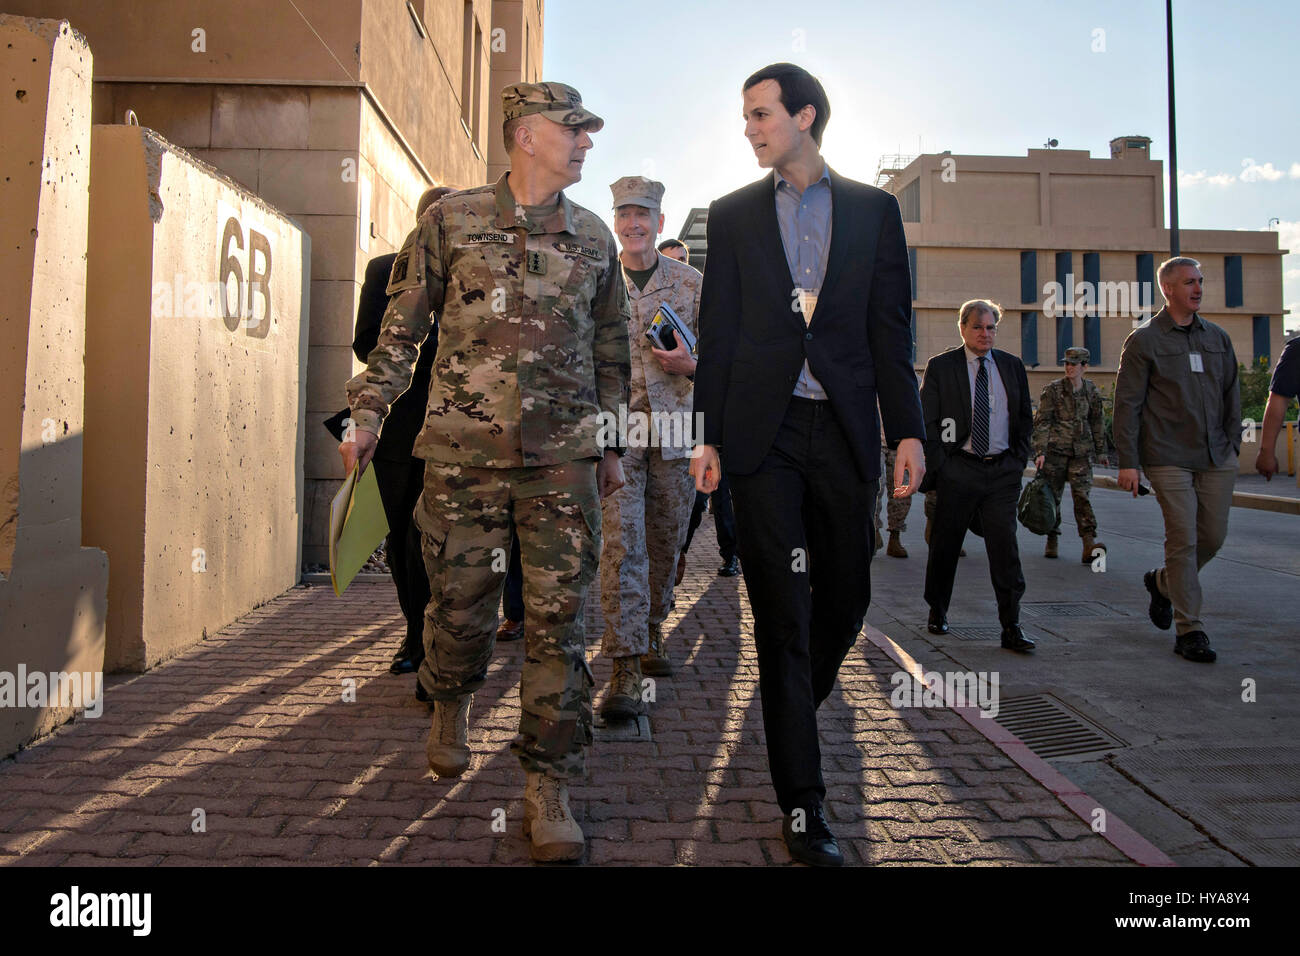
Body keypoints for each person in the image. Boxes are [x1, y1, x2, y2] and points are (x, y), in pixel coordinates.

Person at [341, 81, 631, 862]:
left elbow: (613, 353)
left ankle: (549, 786)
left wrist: (610, 446)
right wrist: (369, 414)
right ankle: (450, 696)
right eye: (574, 130)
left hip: (563, 464)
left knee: (559, 627)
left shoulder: (597, 240)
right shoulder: (450, 222)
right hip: (462, 458)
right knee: (460, 609)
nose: (586, 144)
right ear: (527, 135)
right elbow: (400, 332)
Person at [691, 63, 926, 867]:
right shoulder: (733, 216)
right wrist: (708, 437)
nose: (749, 127)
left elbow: (890, 330)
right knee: (782, 618)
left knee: (848, 594)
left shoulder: (873, 211)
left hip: (847, 431)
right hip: (764, 436)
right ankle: (805, 808)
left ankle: (788, 701)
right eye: (745, 116)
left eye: (760, 114)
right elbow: (718, 333)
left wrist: (909, 430)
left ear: (805, 115)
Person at [597, 175, 702, 716]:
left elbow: (724, 362)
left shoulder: (691, 284)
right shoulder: (596, 278)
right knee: (622, 547)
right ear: (615, 221)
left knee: (665, 543)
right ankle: (625, 665)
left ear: (660, 224)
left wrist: (693, 365)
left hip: (680, 431)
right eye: (624, 215)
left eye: (644, 216)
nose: (634, 225)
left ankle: (654, 626)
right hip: (618, 432)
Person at [350, 185, 455, 683]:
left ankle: (445, 638)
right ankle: (415, 632)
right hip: (397, 425)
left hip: (456, 427)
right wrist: (415, 335)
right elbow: (364, 341)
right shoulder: (384, 268)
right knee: (403, 538)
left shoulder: (473, 272)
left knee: (447, 540)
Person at [1113, 257, 1240, 663]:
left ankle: (1163, 582)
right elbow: (1127, 404)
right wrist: (1128, 462)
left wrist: (1233, 443)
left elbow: (1231, 396)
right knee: (1182, 538)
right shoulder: (1145, 340)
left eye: (1200, 281)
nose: (1198, 288)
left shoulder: (1218, 338)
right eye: (1189, 282)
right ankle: (1191, 629)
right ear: (1168, 289)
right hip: (1167, 456)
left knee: (1213, 538)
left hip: (1216, 455)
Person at [919, 300, 1034, 652]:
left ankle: (1011, 624)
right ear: (963, 328)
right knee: (946, 544)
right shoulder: (942, 367)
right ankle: (937, 610)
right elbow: (929, 421)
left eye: (991, 328)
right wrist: (944, 466)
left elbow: (1024, 418)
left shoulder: (1012, 367)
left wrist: (1016, 462)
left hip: (1000, 472)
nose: (985, 334)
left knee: (1005, 547)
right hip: (960, 469)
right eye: (978, 327)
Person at [1031, 346, 1109, 562]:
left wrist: (1101, 450)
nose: (1069, 367)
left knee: (1082, 497)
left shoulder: (1091, 391)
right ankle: (1052, 538)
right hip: (1055, 452)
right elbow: (1042, 422)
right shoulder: (1053, 390)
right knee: (1052, 498)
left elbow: (1097, 422)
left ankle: (1088, 543)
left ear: (1085, 366)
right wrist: (1040, 451)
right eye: (1066, 363)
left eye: (1074, 364)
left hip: (1081, 454)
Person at [1256, 334, 1300, 481]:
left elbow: (1278, 400)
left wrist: (1266, 452)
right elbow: (1278, 400)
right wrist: (1266, 452)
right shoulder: (1297, 349)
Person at [874, 439, 913, 557]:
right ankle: (873, 531)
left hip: (900, 439)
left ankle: (895, 536)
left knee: (902, 489)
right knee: (875, 486)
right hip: (874, 439)